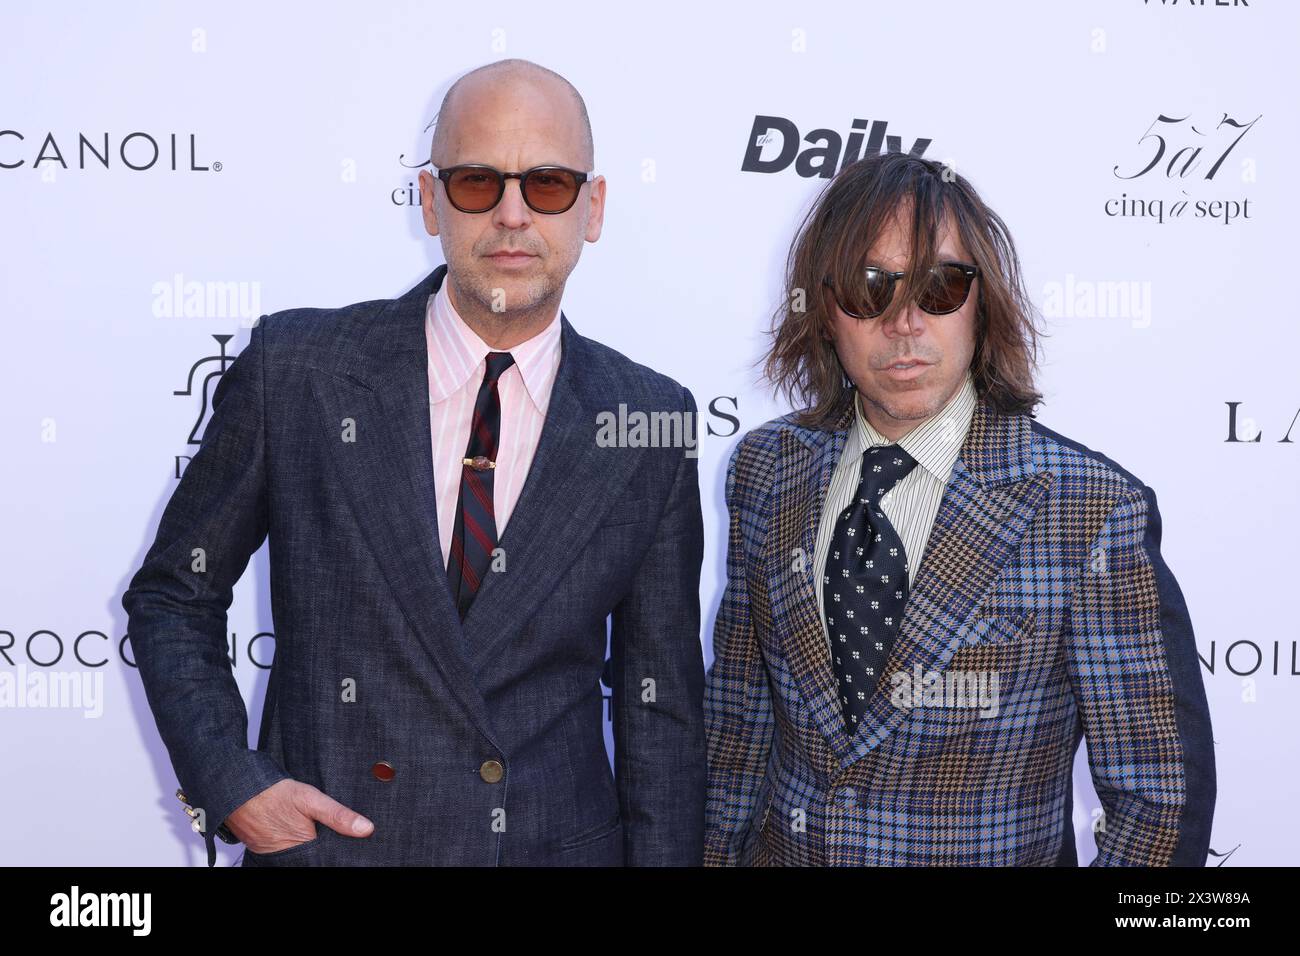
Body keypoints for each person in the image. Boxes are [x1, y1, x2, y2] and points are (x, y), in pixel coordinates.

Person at [124, 58, 705, 867]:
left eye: (546, 184)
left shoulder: (648, 418)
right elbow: (173, 595)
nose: (510, 216)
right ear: (430, 200)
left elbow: (662, 709)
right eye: (475, 183)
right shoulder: (297, 373)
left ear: (592, 207)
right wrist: (233, 782)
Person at [703, 151, 1214, 866]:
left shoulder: (1091, 509)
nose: (905, 323)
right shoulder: (767, 470)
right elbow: (737, 727)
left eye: (940, 286)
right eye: (867, 287)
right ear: (823, 310)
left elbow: (1159, 805)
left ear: (984, 302)